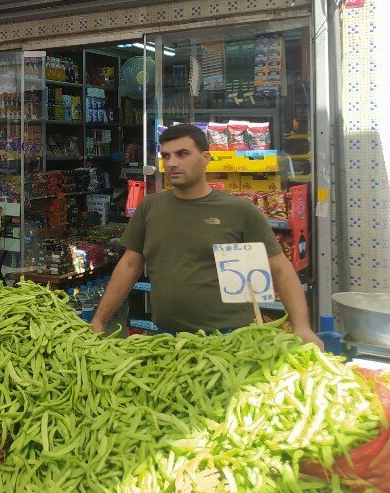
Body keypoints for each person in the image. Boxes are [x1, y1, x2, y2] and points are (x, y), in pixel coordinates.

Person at [91, 123, 323, 349]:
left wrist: (302, 327)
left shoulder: (239, 210)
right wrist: (99, 320)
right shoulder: (150, 206)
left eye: (183, 154)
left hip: (229, 339)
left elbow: (280, 268)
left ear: (206, 158)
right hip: (166, 338)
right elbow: (130, 265)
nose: (172, 163)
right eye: (166, 156)